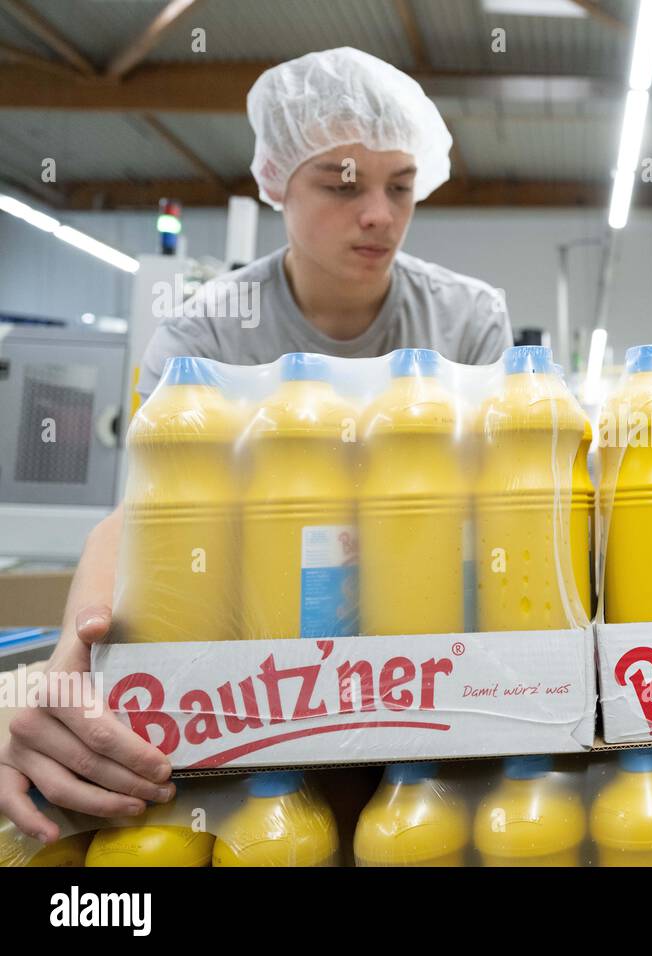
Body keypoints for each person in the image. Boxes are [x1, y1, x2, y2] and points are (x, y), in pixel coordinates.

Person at [0, 48, 513, 843]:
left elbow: (501, 519)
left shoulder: (467, 324)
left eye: (401, 186)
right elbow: (141, 518)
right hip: (255, 682)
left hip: (430, 678)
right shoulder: (204, 334)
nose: (379, 213)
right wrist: (74, 661)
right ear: (276, 179)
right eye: (342, 185)